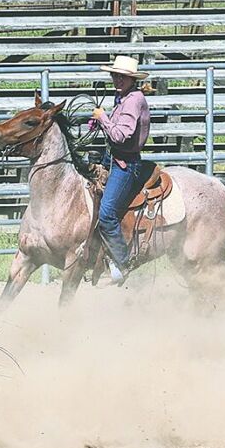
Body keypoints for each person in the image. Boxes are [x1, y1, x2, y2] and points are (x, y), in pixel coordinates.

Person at [90, 54, 152, 281]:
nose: (117, 80)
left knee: (106, 213)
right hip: (113, 158)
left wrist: (103, 118)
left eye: (122, 77)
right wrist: (100, 121)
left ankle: (123, 262)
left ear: (132, 79)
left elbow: (120, 135)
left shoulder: (134, 100)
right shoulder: (123, 98)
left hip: (126, 164)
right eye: (115, 76)